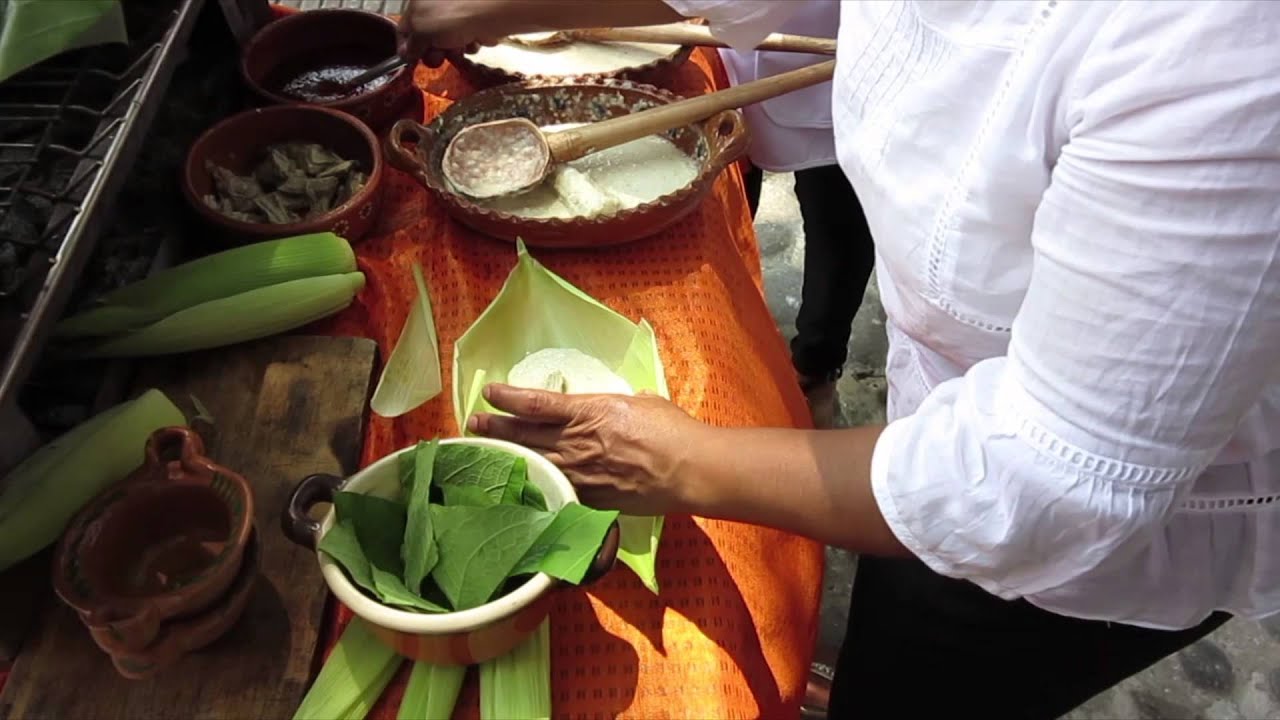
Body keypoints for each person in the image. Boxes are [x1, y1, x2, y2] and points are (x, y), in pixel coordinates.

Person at [398, 1, 1280, 717]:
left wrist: (671, 460)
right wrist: (490, 10)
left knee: (925, 676)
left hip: (1093, 528)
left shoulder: (1221, 60)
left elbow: (1048, 484)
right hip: (954, 401)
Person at [721, 1, 875, 429]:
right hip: (722, 48)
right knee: (725, 212)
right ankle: (731, 348)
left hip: (838, 49)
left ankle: (816, 372)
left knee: (842, 225)